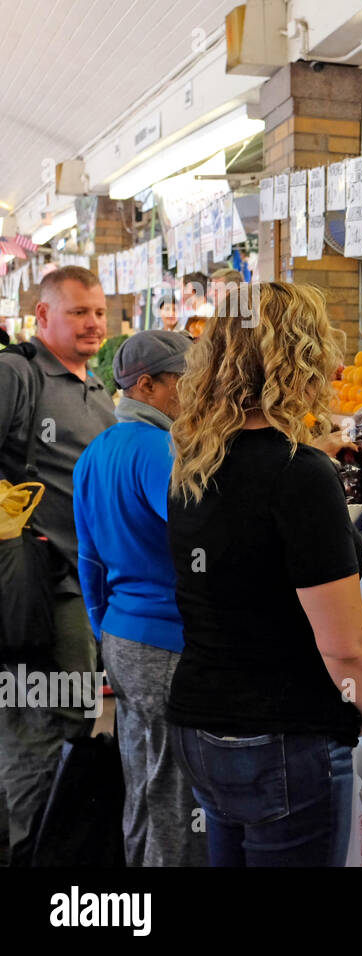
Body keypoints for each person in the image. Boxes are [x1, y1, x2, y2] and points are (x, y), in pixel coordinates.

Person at [166, 281, 362, 867]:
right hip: (282, 738)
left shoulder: (194, 461)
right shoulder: (300, 474)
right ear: (303, 357)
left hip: (201, 724)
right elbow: (344, 648)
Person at [73, 330, 207, 867]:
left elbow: (89, 561)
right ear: (148, 385)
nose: (194, 393)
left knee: (142, 786)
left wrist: (107, 625)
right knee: (178, 797)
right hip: (169, 644)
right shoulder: (161, 451)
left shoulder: (96, 451)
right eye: (185, 382)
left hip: (123, 639)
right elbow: (198, 537)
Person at [0, 265, 116, 866]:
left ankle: (50, 850)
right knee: (33, 729)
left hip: (81, 590)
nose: (94, 322)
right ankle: (32, 860)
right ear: (43, 316)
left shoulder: (95, 389)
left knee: (68, 724)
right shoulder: (17, 374)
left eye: (99, 311)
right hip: (33, 590)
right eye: (78, 312)